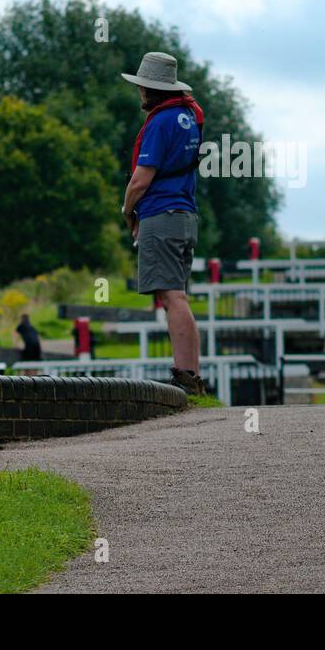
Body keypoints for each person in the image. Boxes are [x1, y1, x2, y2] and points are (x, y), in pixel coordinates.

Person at [120, 52, 203, 395]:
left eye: (141, 86)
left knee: (171, 298)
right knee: (177, 295)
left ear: (150, 90)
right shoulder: (187, 117)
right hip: (185, 214)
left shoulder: (159, 122)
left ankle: (187, 376)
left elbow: (141, 179)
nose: (139, 92)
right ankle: (191, 374)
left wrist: (127, 210)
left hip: (162, 215)